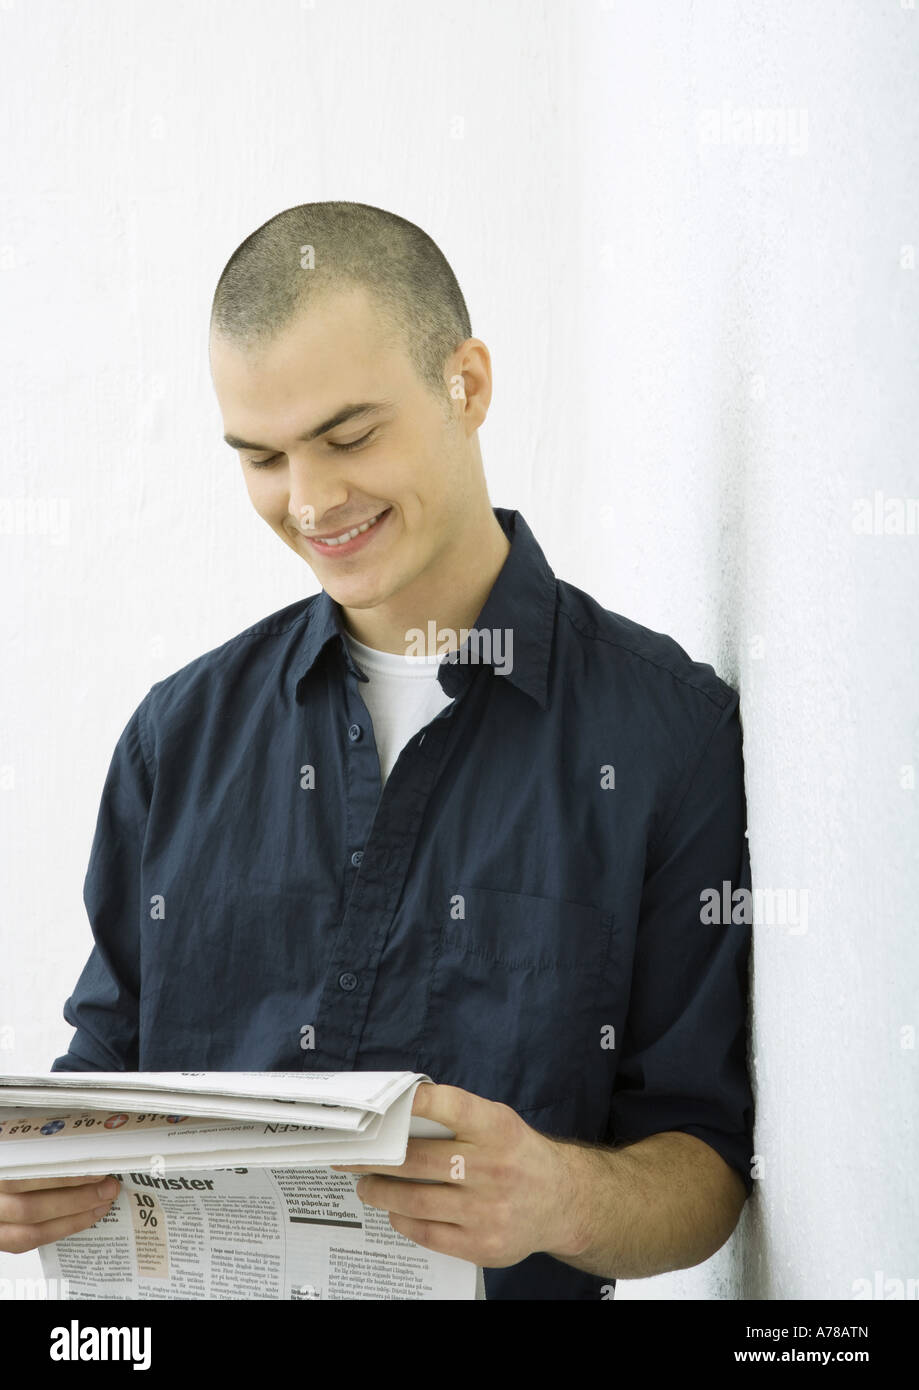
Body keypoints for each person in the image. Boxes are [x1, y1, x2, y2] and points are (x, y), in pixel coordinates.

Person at [1, 202, 754, 1299]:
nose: (311, 501)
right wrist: (35, 1177)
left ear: (468, 384)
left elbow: (706, 1164)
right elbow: (100, 1076)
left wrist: (558, 1195)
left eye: (348, 437)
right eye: (262, 456)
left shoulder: (664, 736)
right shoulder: (178, 735)